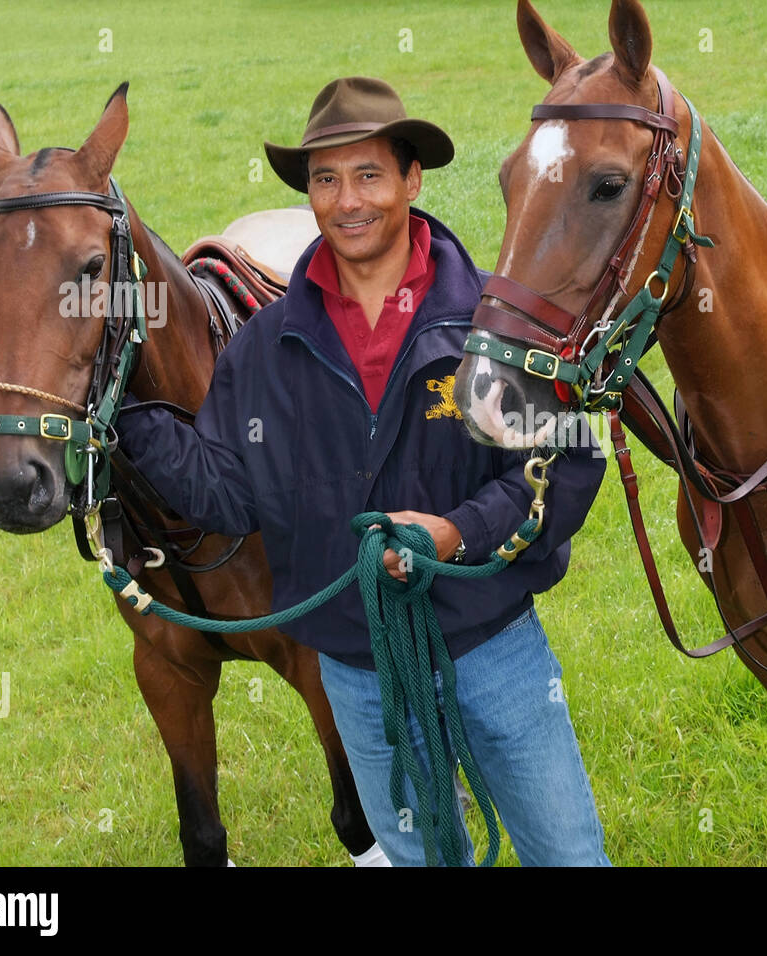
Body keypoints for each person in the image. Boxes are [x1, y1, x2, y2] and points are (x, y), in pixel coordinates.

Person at [116, 77, 610, 866]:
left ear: (413, 181)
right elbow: (229, 495)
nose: (347, 200)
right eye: (325, 179)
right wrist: (126, 424)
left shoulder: (487, 325)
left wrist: (458, 532)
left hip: (494, 651)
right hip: (356, 668)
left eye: (369, 175)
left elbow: (568, 461)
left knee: (567, 855)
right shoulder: (267, 347)